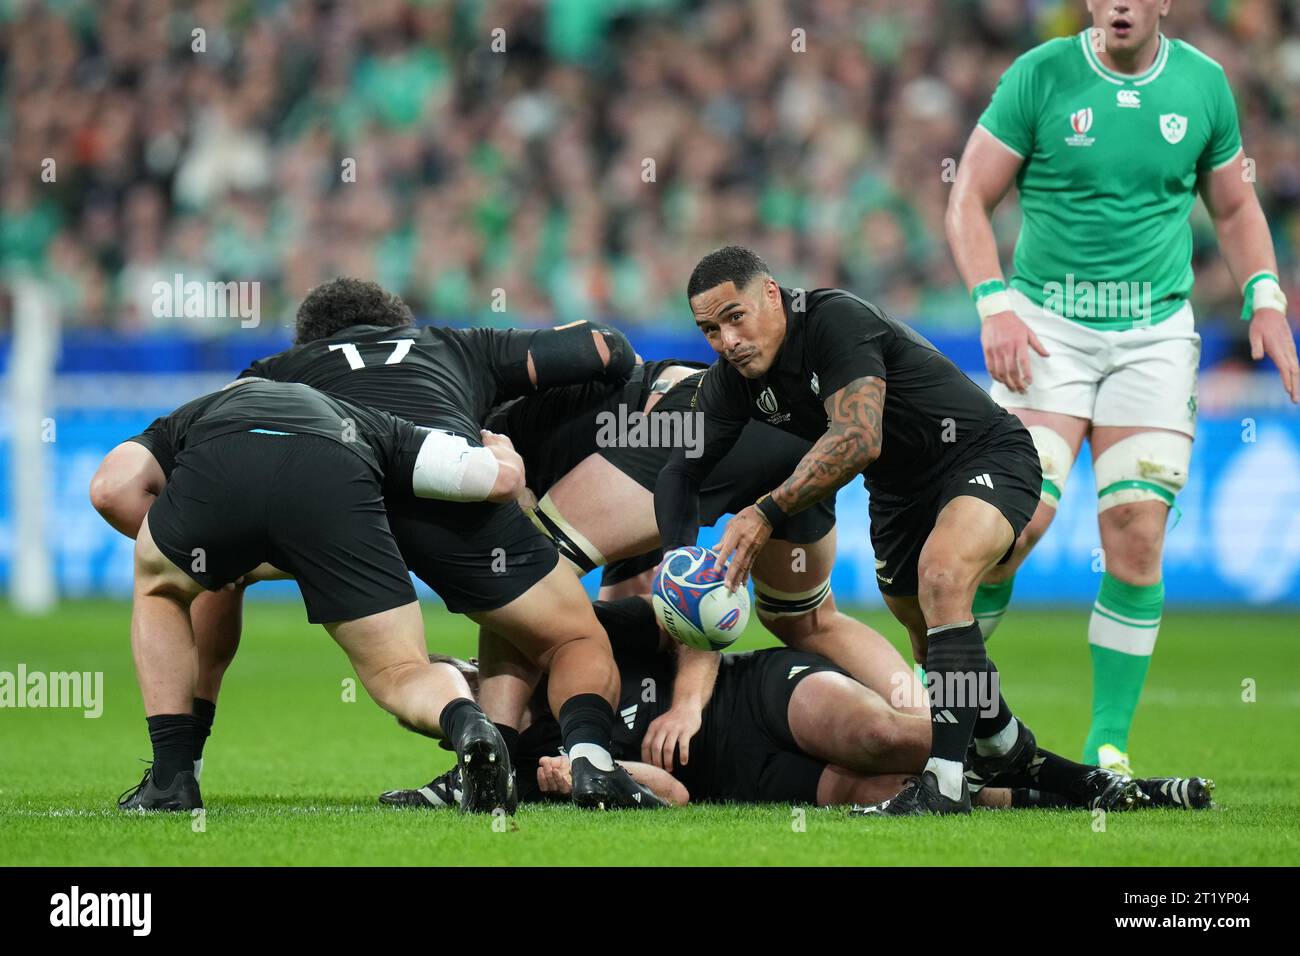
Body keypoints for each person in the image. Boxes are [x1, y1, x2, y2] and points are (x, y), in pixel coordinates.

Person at [92, 277, 662, 810]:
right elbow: (603, 347)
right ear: (397, 323)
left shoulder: (271, 373)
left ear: (309, 341)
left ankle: (178, 766)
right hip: (447, 486)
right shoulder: (456, 344)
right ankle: (588, 758)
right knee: (570, 637)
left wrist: (249, 558)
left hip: (330, 501)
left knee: (206, 580)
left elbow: (122, 487)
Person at [946, 0, 1299, 773]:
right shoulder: (1039, 76)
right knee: (1011, 529)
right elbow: (967, 195)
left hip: (1154, 337)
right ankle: (944, 715)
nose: (1121, 3)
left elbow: (1235, 205)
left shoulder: (1204, 86)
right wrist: (993, 305)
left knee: (1137, 540)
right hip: (1047, 331)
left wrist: (1265, 297)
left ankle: (1108, 744)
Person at [653, 245, 1043, 816]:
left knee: (942, 577)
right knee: (927, 635)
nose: (726, 340)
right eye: (709, 330)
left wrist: (765, 512)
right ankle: (1003, 742)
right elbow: (679, 471)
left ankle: (946, 783)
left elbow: (860, 438)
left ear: (771, 293)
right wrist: (674, 560)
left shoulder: (834, 320)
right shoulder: (733, 379)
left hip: (982, 453)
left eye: (734, 317)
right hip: (898, 496)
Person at [479, 355, 928, 770]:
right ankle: (945, 738)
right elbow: (641, 615)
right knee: (807, 619)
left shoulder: (490, 439)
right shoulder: (558, 412)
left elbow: (526, 586)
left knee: (526, 578)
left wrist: (686, 706)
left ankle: (493, 754)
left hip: (697, 422)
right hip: (787, 431)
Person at [115, 377, 523, 812]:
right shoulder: (367, 421)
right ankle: (468, 722)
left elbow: (110, 489)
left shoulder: (195, 413)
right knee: (401, 670)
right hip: (334, 484)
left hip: (218, 470)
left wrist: (211, 560)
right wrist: (504, 453)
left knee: (162, 589)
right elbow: (497, 482)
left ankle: (171, 779)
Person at [382, 598, 1206, 812]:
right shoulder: (528, 767)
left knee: (882, 734)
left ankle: (1080, 778)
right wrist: (579, 778)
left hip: (752, 701)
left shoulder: (579, 631)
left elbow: (694, 625)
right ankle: (1054, 798)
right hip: (746, 779)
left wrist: (690, 706)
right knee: (880, 793)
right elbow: (668, 794)